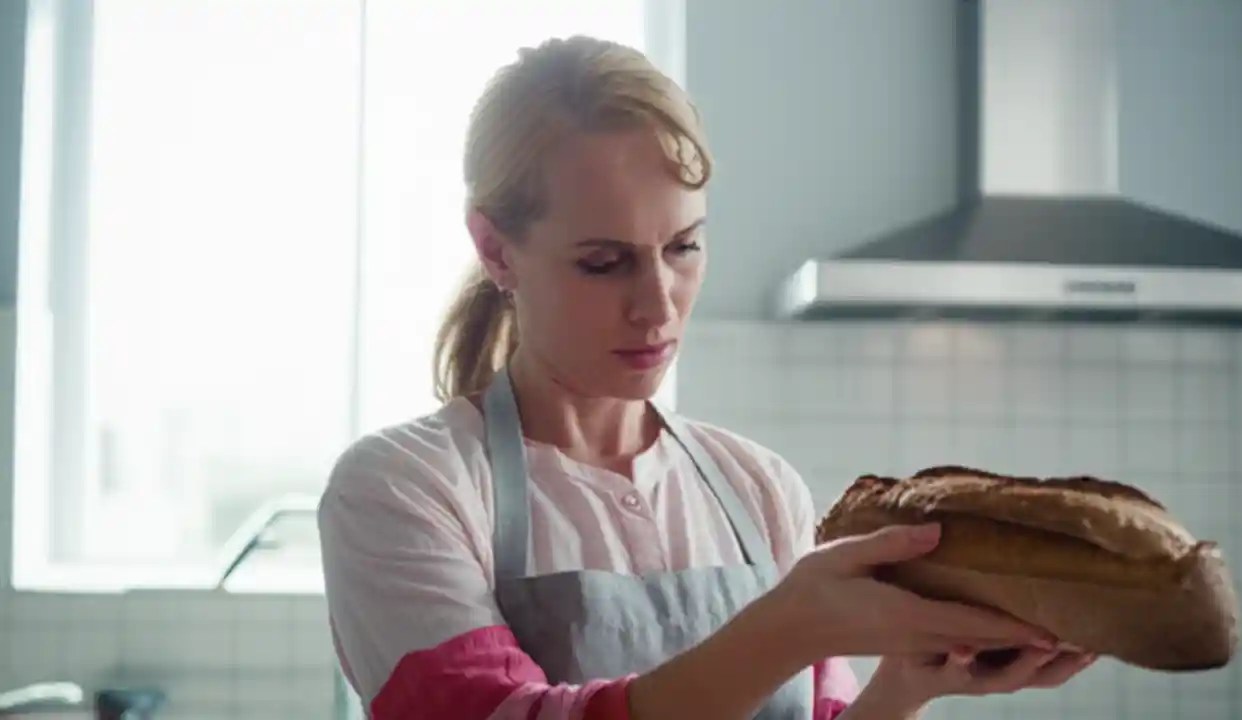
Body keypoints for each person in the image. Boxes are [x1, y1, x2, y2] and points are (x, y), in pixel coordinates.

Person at [317, 35, 1096, 720]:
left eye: (683, 248)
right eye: (603, 262)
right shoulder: (406, 489)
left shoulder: (758, 488)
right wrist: (787, 627)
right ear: (495, 251)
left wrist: (905, 689)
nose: (658, 306)